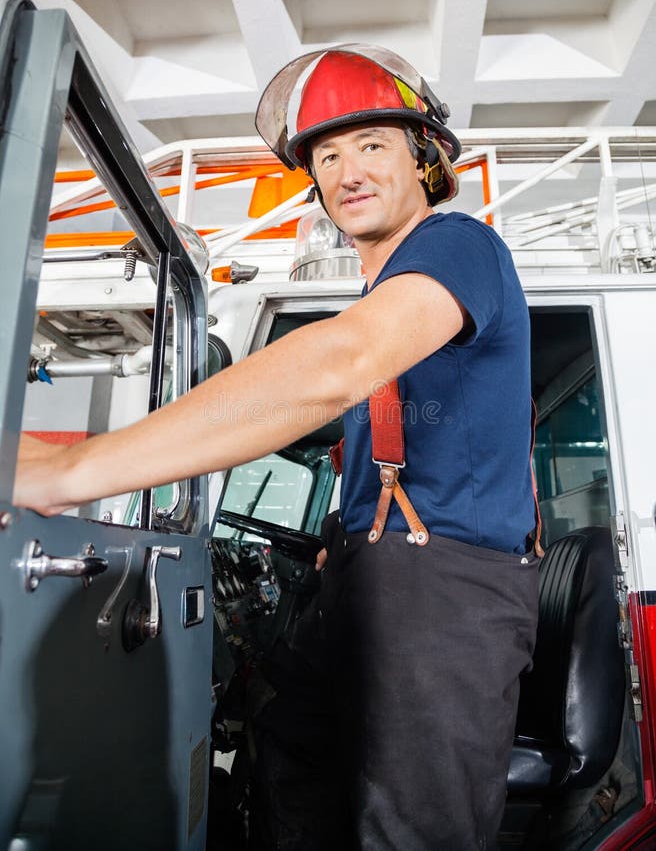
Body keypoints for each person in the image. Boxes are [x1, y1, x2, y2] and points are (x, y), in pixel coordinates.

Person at [14, 45, 540, 850]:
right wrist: (341, 545)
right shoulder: (386, 289)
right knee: (290, 747)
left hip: (445, 599)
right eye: (327, 155)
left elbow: (339, 365)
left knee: (412, 834)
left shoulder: (457, 246)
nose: (347, 170)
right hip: (371, 578)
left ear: (426, 159)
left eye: (372, 145)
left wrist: (72, 470)